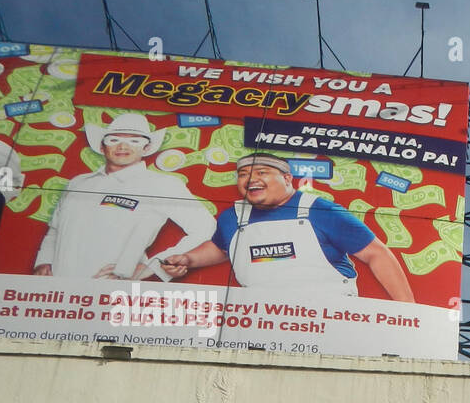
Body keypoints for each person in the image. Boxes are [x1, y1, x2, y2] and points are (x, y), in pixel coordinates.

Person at [161, 153, 415, 301]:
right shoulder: (232, 217)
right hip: (261, 317)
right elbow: (220, 248)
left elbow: (377, 254)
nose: (251, 179)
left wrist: (409, 314)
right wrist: (188, 258)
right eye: (243, 174)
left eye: (261, 172)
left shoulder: (321, 210)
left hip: (331, 316)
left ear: (286, 179)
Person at [33, 113, 214, 280]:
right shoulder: (78, 182)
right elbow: (55, 229)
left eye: (134, 141)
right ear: (102, 147)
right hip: (55, 291)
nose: (123, 146)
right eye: (114, 139)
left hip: (110, 288)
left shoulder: (162, 184)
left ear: (147, 147)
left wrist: (154, 266)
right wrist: (43, 261)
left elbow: (205, 226)